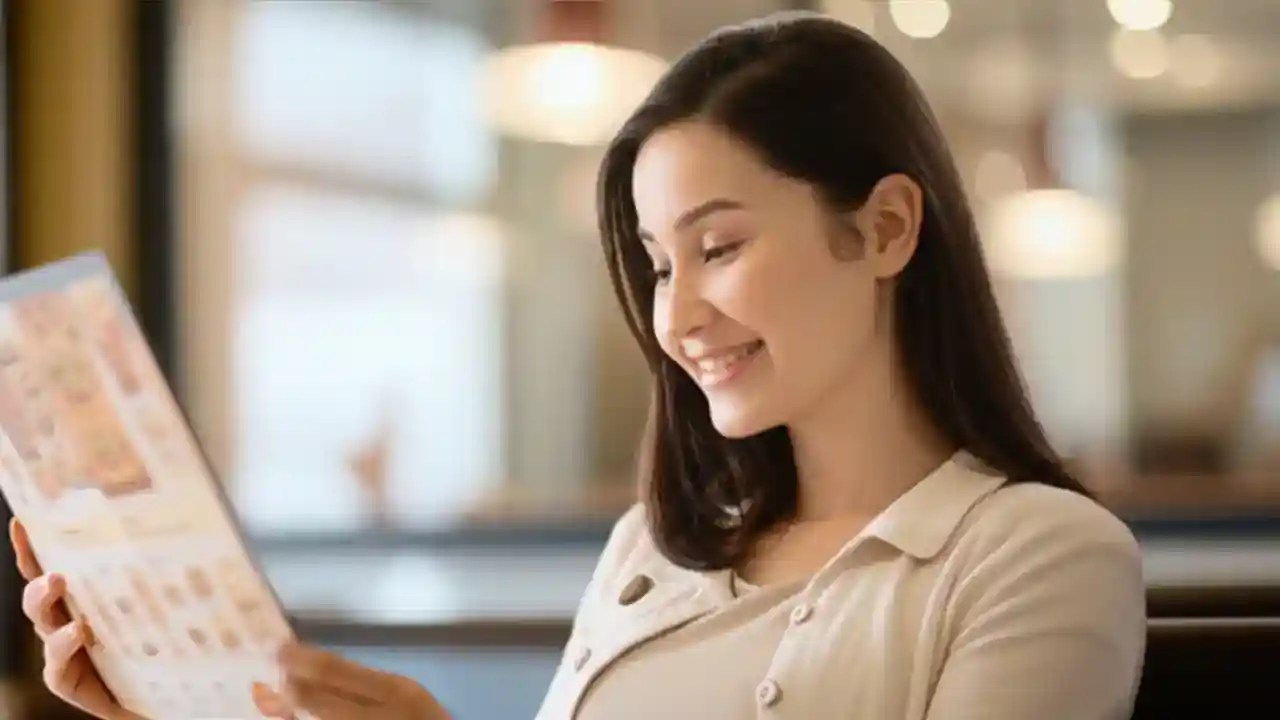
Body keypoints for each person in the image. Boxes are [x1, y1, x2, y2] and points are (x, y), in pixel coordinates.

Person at [9, 11, 1145, 720]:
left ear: (887, 229)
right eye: (657, 264)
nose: (676, 313)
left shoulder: (1033, 557)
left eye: (719, 246)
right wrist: (179, 693)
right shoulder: (652, 551)